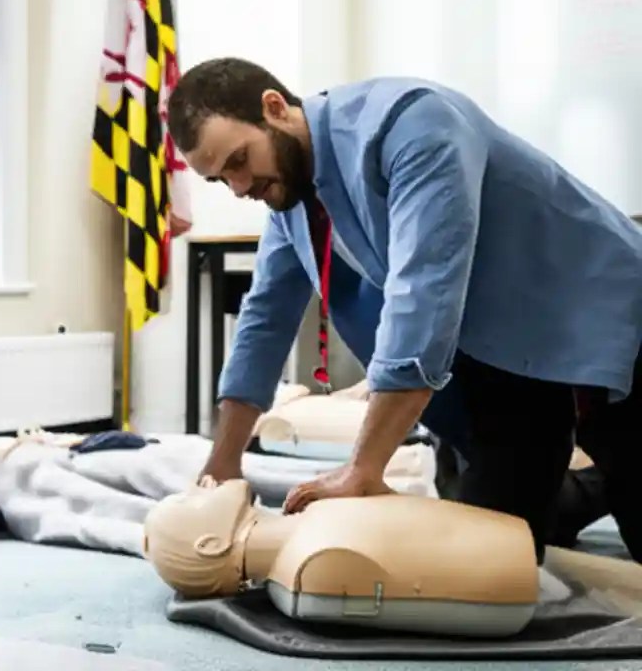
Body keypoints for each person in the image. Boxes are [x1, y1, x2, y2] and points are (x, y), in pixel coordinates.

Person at [164, 57, 642, 563]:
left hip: (613, 318)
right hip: (517, 360)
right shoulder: (291, 195)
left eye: (238, 161)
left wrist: (363, 469)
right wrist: (223, 464)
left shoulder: (413, 125)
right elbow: (264, 320)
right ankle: (589, 487)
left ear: (275, 108)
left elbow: (423, 294)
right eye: (220, 180)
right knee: (491, 549)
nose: (238, 188)